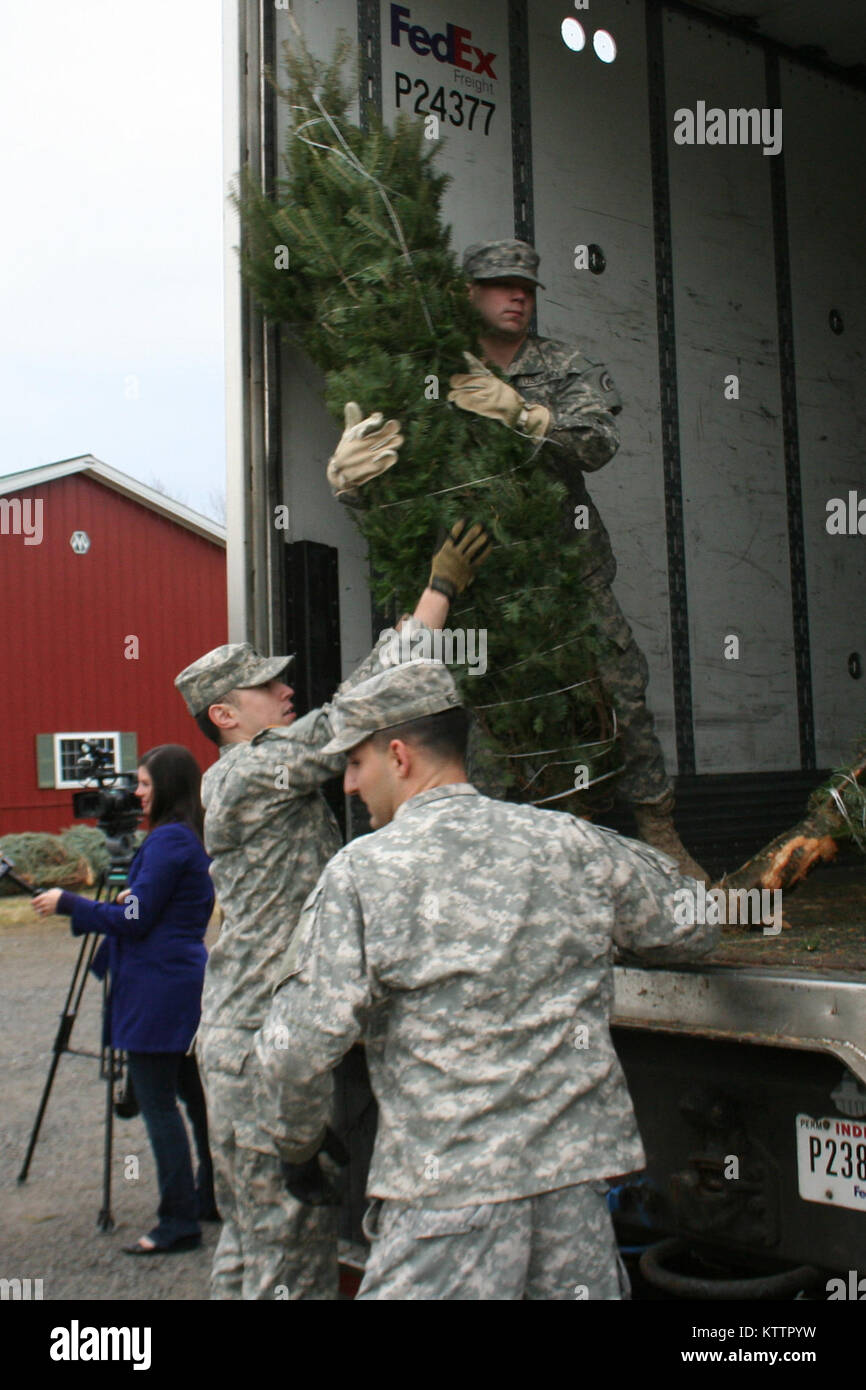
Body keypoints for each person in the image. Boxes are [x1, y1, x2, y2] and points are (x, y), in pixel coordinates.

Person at [254, 659, 720, 1301]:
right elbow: (695, 923)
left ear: (399, 755)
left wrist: (298, 1144)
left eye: (356, 764)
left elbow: (295, 1049)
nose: (351, 785)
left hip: (446, 1206)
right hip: (574, 1199)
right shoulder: (568, 842)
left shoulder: (362, 873)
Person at [174, 462, 491, 1300]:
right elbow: (349, 716)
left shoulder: (254, 775)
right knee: (289, 1259)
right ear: (225, 717)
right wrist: (433, 604)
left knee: (250, 1247)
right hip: (257, 1058)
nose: (286, 687)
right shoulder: (241, 775)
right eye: (266, 685)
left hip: (245, 1046)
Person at [447, 238, 708, 882]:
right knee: (490, 712)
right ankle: (491, 861)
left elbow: (597, 444)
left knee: (624, 693)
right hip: (488, 577)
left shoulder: (564, 365)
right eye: (503, 285)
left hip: (571, 568)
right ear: (469, 294)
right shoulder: (442, 371)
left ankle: (659, 829)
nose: (518, 297)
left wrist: (528, 418)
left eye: (528, 288)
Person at [33, 745, 216, 1255]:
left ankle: (178, 1222)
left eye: (144, 785)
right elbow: (147, 908)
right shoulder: (186, 840)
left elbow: (134, 921)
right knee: (195, 1102)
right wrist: (127, 898)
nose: (135, 794)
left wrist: (67, 902)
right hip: (179, 986)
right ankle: (209, 1195)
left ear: (167, 789)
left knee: (159, 1106)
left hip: (157, 991)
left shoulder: (166, 843)